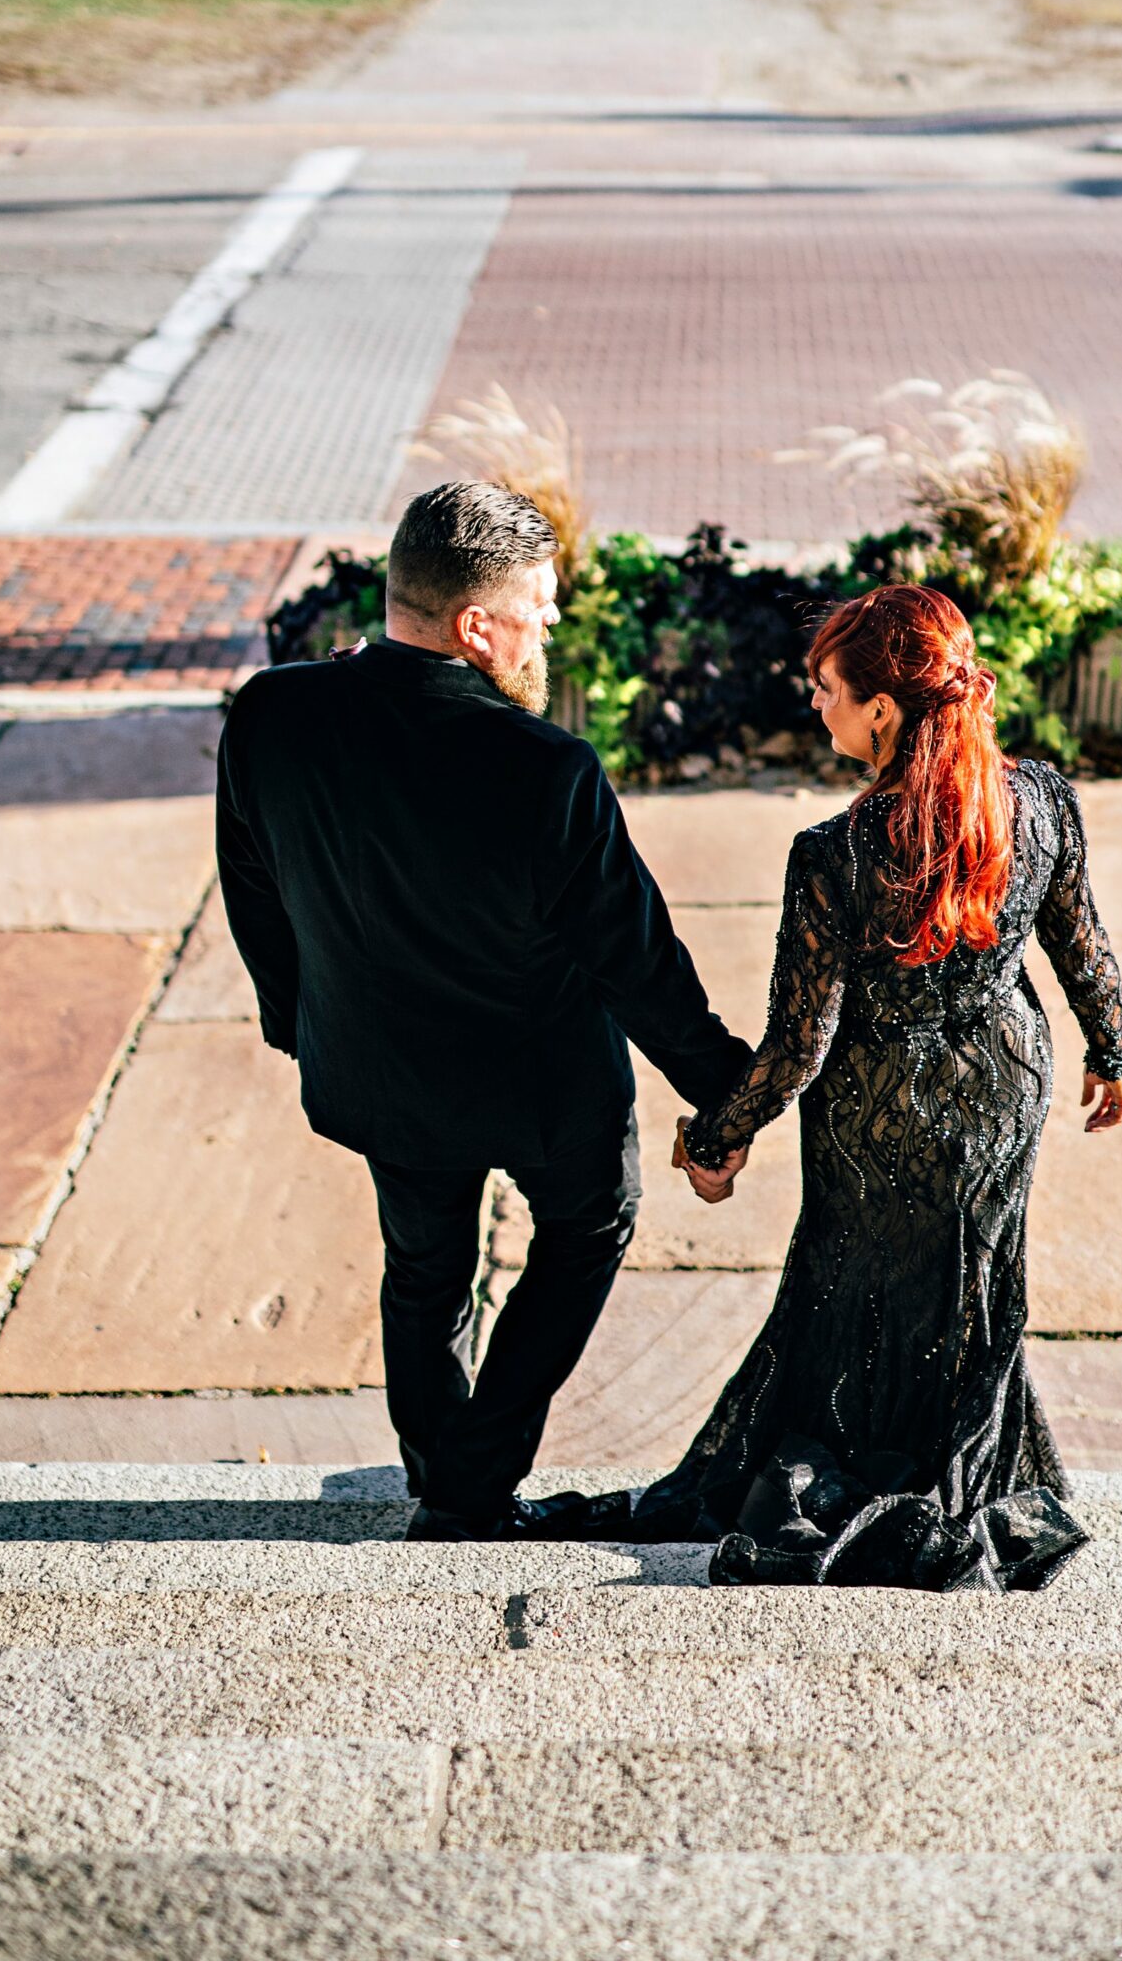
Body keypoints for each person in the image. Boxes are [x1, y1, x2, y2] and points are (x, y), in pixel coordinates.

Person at [526, 584, 1122, 1593]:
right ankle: (947, 1458)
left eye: (826, 690)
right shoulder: (1038, 798)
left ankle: (867, 1465)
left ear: (881, 709)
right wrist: (1110, 1051)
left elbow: (799, 1045)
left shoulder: (835, 853)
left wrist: (715, 1136)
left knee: (853, 1286)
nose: (815, 705)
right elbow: (1080, 940)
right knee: (968, 1281)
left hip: (874, 1109)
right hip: (1001, 1089)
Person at [216, 481, 753, 1543]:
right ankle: (469, 1482)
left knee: (423, 1267)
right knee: (587, 1226)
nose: (550, 623)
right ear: (475, 627)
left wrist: (298, 1020)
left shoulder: (272, 713)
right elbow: (636, 962)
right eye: (537, 606)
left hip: (377, 1071)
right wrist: (726, 1095)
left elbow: (253, 888)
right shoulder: (546, 769)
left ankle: (441, 1467)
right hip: (545, 1089)